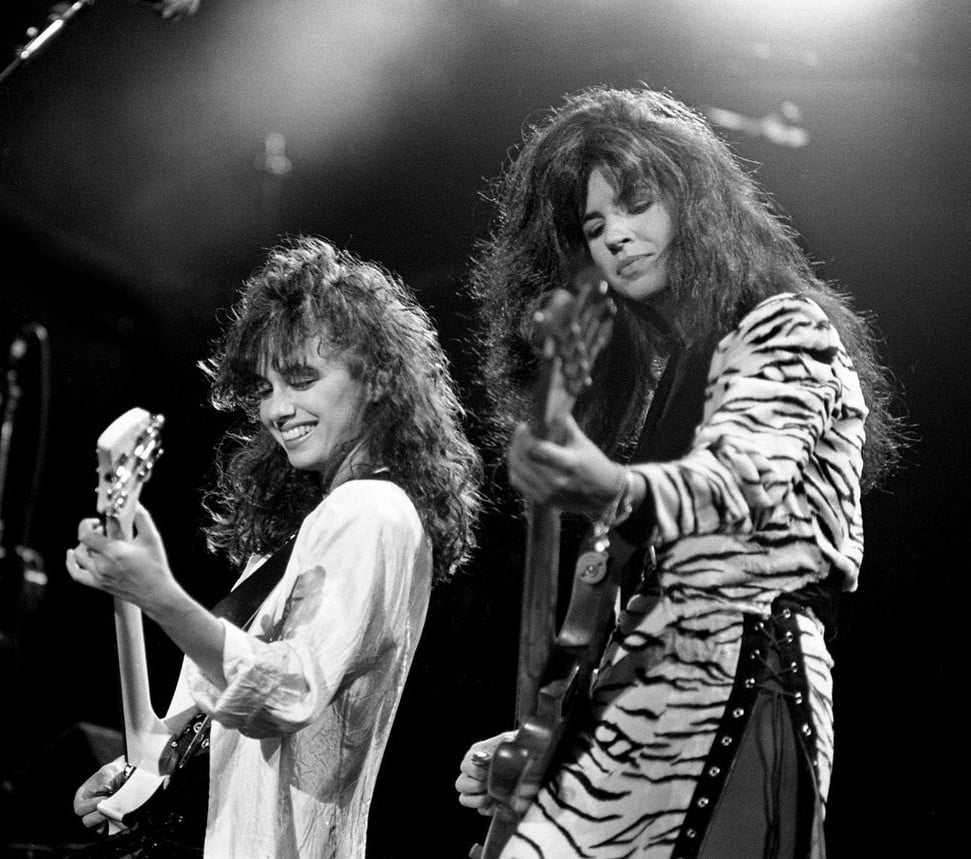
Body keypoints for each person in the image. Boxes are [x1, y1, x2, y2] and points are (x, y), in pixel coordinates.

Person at [455, 86, 902, 857]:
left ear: (694, 202)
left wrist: (608, 487)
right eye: (594, 227)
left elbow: (735, 483)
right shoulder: (652, 394)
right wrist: (548, 742)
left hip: (741, 680)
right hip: (647, 704)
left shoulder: (784, 326)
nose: (617, 238)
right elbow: (623, 609)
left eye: (636, 205)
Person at [67, 236, 481, 857]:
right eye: (263, 388)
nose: (276, 409)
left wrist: (160, 596)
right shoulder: (304, 531)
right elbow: (218, 724)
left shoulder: (371, 511)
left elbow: (286, 692)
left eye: (302, 379)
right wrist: (141, 780)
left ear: (376, 380)